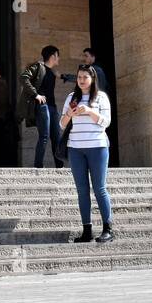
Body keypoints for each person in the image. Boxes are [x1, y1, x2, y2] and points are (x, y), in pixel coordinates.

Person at [60, 64, 114, 243]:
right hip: (75, 148)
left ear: (92, 79)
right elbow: (62, 124)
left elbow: (106, 122)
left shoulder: (101, 97)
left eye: (85, 77)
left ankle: (108, 229)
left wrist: (90, 111)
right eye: (79, 77)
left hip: (98, 147)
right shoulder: (71, 97)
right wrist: (69, 113)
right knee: (82, 190)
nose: (82, 80)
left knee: (99, 188)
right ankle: (87, 231)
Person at [17, 45, 63, 169]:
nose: (59, 59)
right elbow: (23, 78)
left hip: (52, 107)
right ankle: (38, 167)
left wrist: (61, 76)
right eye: (58, 56)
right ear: (53, 56)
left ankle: (60, 166)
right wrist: (36, 94)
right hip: (42, 106)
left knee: (56, 137)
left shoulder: (52, 72)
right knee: (44, 136)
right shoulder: (38, 66)